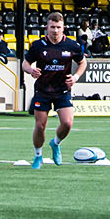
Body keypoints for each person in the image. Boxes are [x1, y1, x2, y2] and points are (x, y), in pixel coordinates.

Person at [21, 12, 88, 169]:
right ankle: (38, 156)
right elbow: (25, 63)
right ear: (47, 27)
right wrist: (31, 70)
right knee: (40, 126)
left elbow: (83, 63)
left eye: (58, 27)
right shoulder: (38, 45)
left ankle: (55, 143)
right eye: (52, 27)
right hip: (43, 91)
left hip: (62, 90)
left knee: (67, 123)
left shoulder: (72, 45)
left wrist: (76, 77)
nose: (55, 30)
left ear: (63, 27)